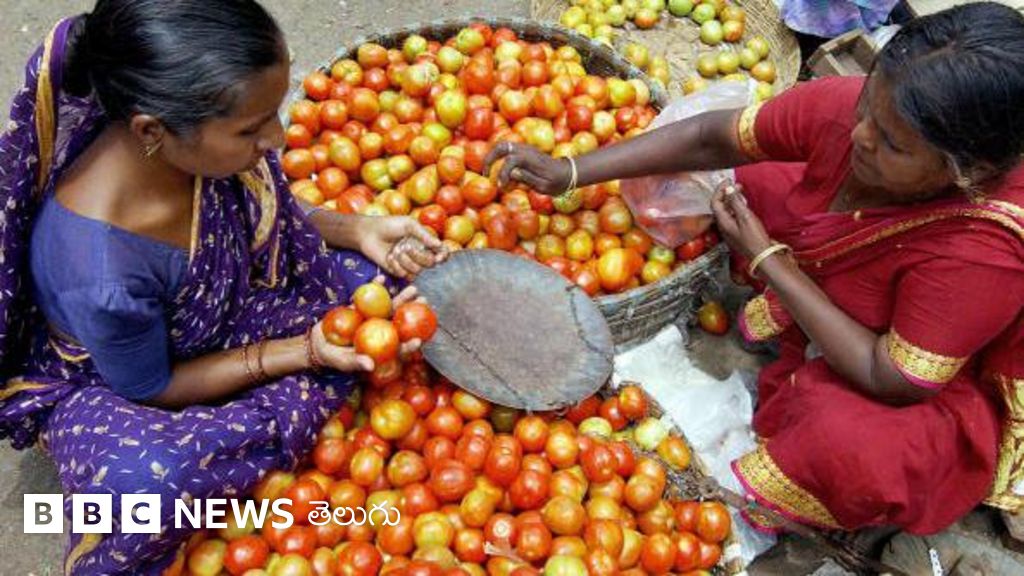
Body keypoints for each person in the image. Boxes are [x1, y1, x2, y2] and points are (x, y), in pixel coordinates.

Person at [488, 2, 1024, 537]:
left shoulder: (983, 251)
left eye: (891, 144)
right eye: (868, 106)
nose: (861, 135)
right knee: (746, 182)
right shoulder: (856, 115)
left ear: (967, 170)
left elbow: (893, 377)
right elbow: (710, 139)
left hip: (925, 370)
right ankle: (798, 300)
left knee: (848, 445)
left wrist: (769, 260)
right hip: (843, 273)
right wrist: (569, 170)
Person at [0, 1, 445, 573]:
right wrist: (304, 352)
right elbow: (151, 386)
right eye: (253, 128)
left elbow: (264, 210)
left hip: (213, 313)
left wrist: (357, 229)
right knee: (150, 489)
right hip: (123, 380)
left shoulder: (187, 149)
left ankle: (279, 413)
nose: (278, 138)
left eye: (273, 115)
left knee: (387, 286)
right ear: (151, 130)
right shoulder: (101, 272)